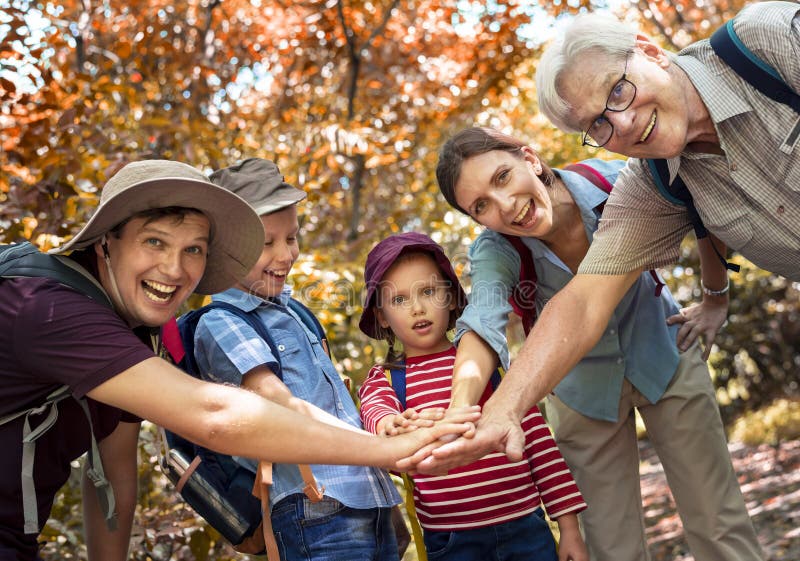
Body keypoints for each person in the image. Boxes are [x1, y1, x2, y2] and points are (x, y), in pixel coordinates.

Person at [0, 159, 479, 561]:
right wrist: (393, 451)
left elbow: (113, 476)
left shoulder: (133, 338)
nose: (174, 269)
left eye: (194, 250)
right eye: (154, 242)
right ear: (106, 240)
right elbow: (213, 415)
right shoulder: (46, 307)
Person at [413, 0, 798, 488]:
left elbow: (705, 231)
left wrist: (715, 297)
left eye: (618, 89)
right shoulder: (652, 184)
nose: (623, 122)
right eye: (596, 124)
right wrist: (496, 411)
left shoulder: (768, 43)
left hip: (664, 365)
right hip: (586, 395)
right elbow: (580, 304)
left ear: (649, 51)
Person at [421, 127, 764, 561]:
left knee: (719, 523)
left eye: (503, 177)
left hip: (663, 354)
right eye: (481, 206)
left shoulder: (617, 183)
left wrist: (716, 298)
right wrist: (461, 408)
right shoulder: (496, 249)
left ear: (530, 158)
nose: (504, 207)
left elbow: (696, 210)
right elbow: (483, 317)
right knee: (611, 547)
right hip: (581, 394)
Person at [194, 157, 403, 561]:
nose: (286, 254)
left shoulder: (294, 313)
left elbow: (336, 409)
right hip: (313, 506)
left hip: (366, 497)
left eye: (291, 237)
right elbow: (279, 406)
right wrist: (381, 451)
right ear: (225, 249)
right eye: (266, 242)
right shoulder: (222, 322)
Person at [357, 232, 588, 561]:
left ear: (450, 297)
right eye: (399, 300)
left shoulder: (486, 365)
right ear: (381, 316)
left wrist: (569, 528)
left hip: (524, 526)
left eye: (428, 291)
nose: (418, 308)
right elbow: (376, 415)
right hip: (451, 540)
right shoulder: (388, 380)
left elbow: (539, 444)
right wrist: (390, 424)